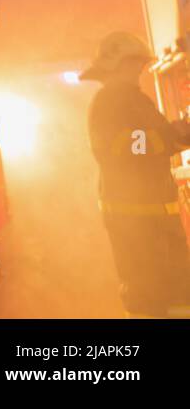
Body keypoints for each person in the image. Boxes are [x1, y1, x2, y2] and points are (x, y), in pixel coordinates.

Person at [83, 31, 190, 317]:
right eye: (136, 64)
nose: (140, 71)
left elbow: (153, 137)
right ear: (118, 64)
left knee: (179, 293)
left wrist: (178, 133)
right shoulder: (109, 101)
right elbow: (119, 145)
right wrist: (169, 138)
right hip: (136, 223)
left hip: (154, 220)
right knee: (148, 296)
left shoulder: (130, 98)